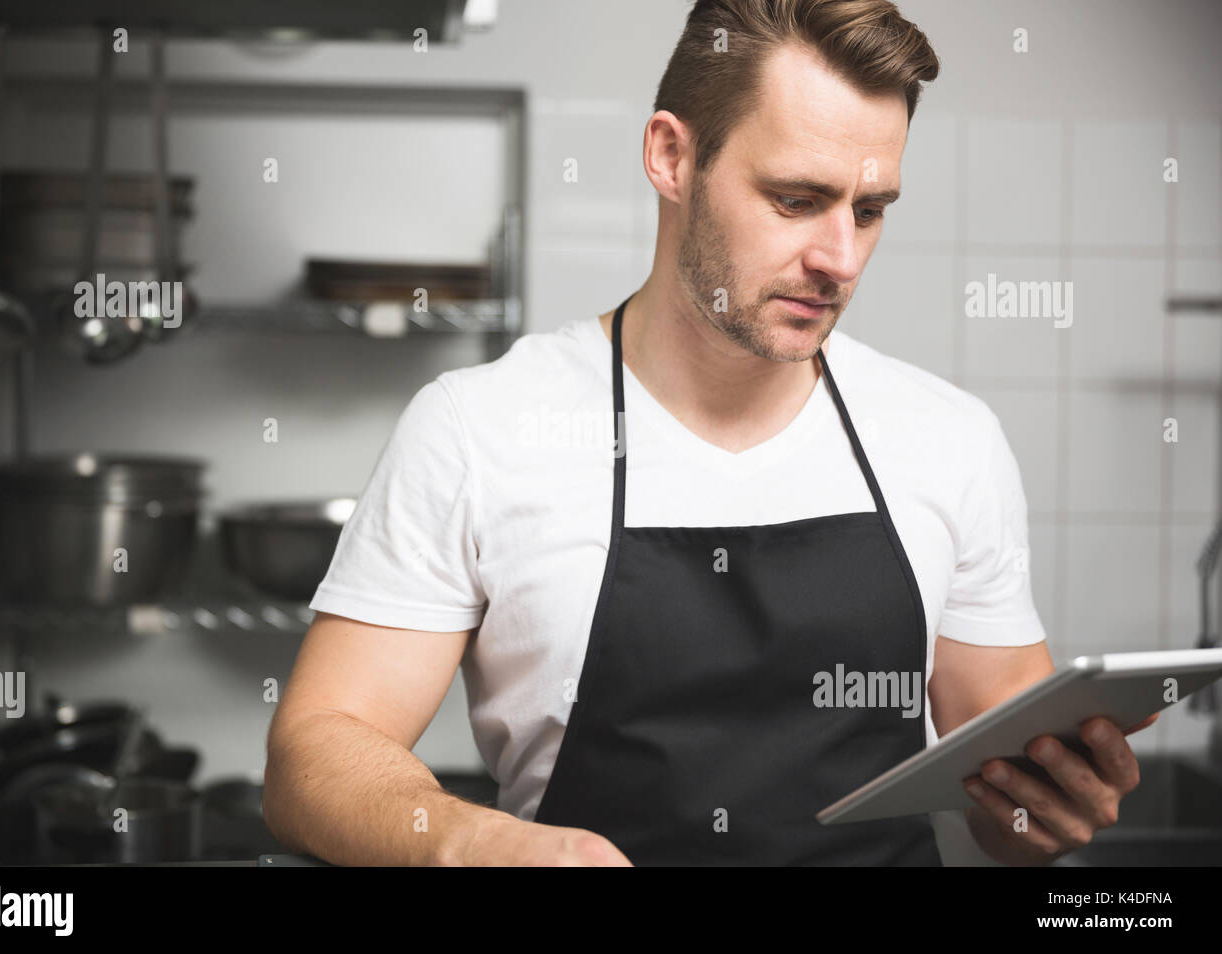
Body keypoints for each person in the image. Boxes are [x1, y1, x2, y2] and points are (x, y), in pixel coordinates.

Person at [262, 0, 1154, 866]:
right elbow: (313, 754)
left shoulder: (950, 440)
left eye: (870, 209)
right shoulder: (478, 429)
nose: (839, 258)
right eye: (796, 198)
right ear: (671, 156)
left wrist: (1043, 815)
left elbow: (1005, 811)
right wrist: (469, 840)